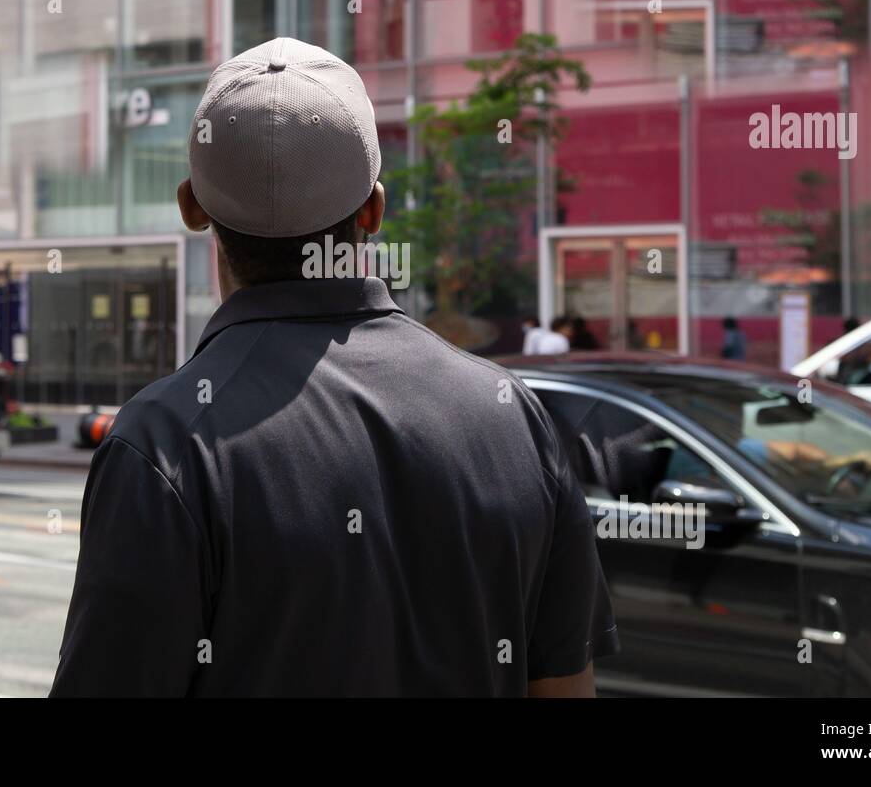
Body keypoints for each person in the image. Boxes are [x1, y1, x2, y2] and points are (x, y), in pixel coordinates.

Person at [50, 38, 617, 697]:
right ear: (374, 210)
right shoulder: (511, 414)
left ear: (192, 206)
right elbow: (562, 687)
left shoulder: (162, 445)